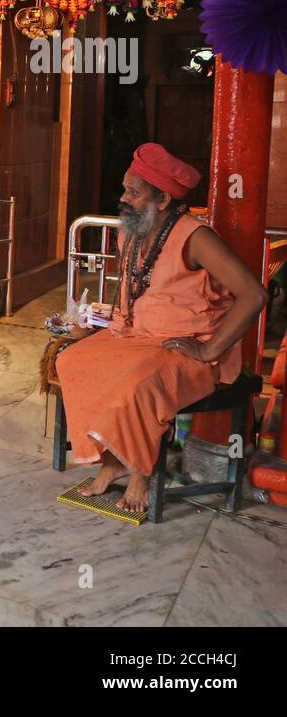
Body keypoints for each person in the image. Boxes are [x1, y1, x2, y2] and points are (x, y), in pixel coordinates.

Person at [56, 143, 268, 512]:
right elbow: (133, 291)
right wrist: (104, 326)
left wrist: (208, 350)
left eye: (133, 193)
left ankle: (140, 472)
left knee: (139, 384)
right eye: (125, 188)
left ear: (164, 199)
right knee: (72, 361)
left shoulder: (196, 238)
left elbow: (254, 294)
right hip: (135, 336)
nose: (123, 198)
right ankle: (110, 462)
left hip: (184, 347)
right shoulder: (132, 231)